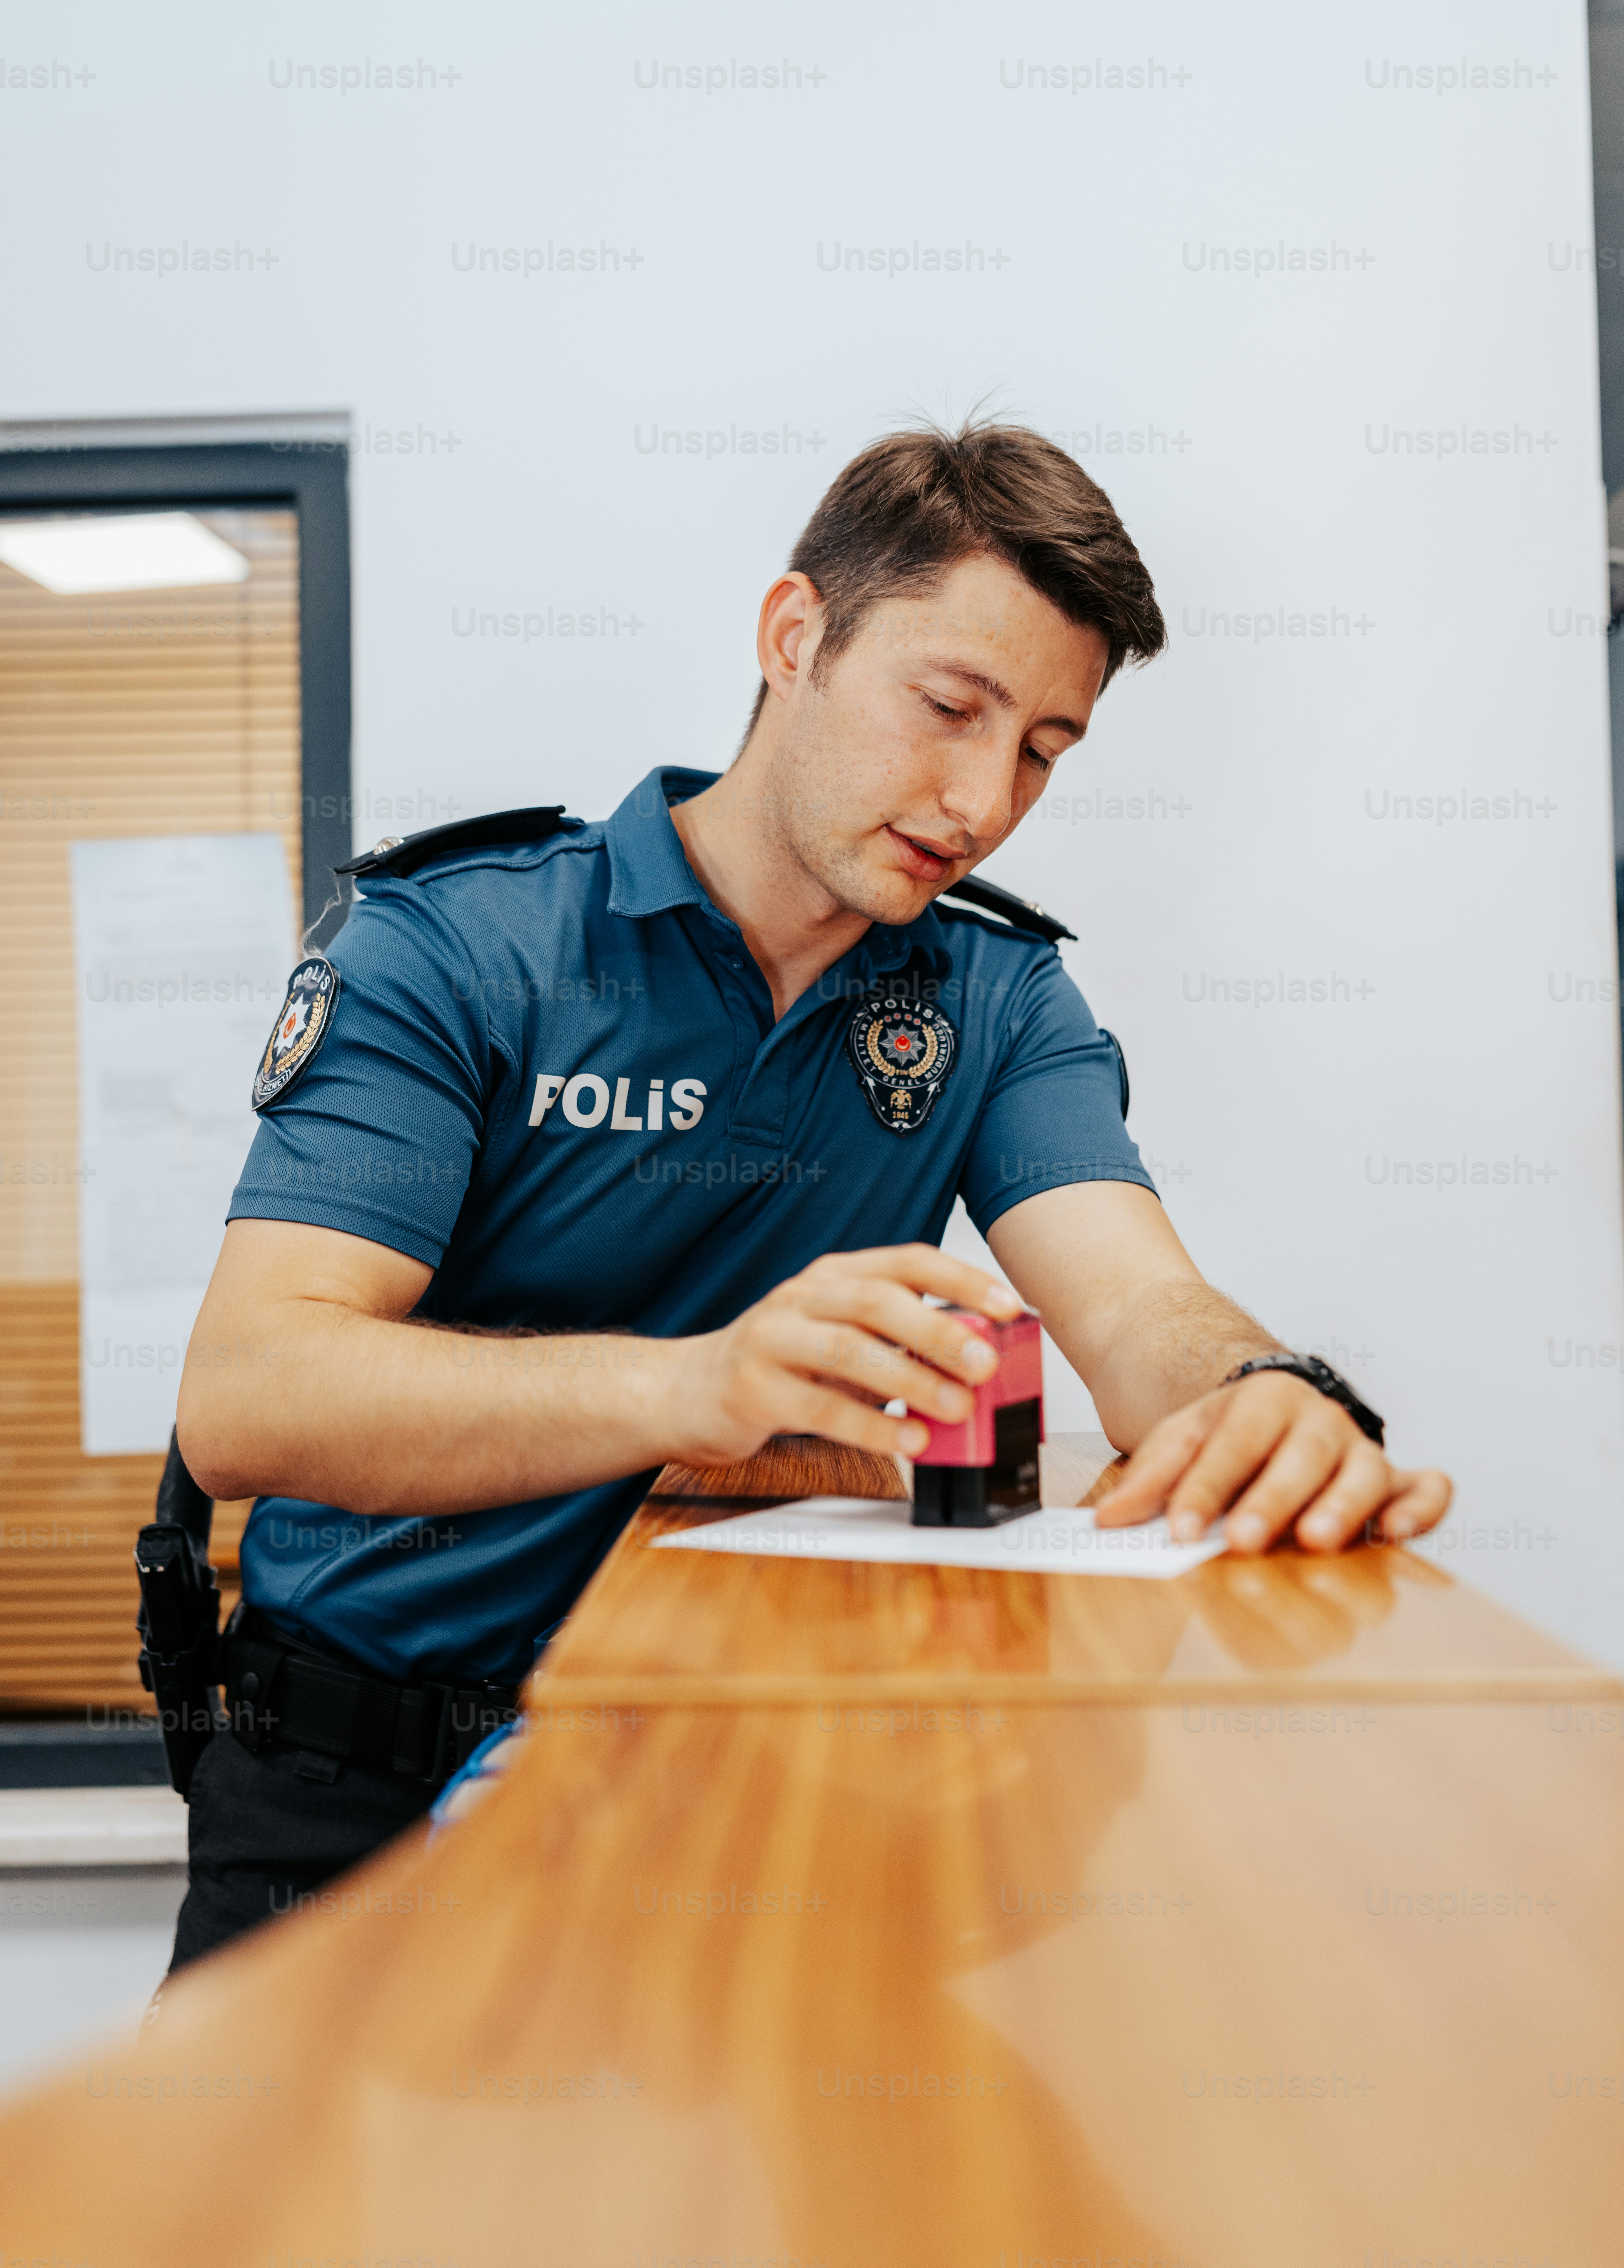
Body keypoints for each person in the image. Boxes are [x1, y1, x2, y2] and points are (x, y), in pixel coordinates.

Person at [170, 420, 1451, 1969]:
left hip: (747, 1787)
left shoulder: (994, 998)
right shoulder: (455, 946)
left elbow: (1136, 1305)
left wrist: (1263, 1392)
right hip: (352, 1794)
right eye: (950, 706)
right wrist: (702, 1387)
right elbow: (250, 1395)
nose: (981, 799)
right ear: (796, 637)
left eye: (1043, 750)